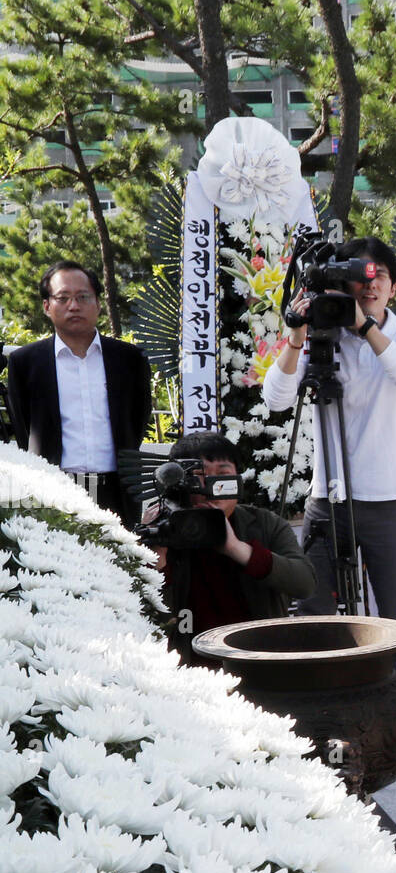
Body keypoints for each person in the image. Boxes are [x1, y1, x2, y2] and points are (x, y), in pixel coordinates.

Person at [262, 235, 396, 686]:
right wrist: (297, 334)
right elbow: (276, 399)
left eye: (377, 276)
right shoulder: (323, 335)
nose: (368, 284)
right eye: (359, 276)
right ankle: (321, 705)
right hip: (327, 497)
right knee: (312, 609)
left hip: (392, 499)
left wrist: (366, 330)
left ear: (393, 287)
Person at [6, 260, 152, 525]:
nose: (73, 306)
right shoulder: (25, 362)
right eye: (63, 298)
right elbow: (24, 426)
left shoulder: (129, 360)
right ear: (47, 306)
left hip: (117, 489)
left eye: (83, 297)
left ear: (98, 303)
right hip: (54, 490)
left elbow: (138, 418)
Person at [156, 431, 315, 664]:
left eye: (223, 475)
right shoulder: (163, 527)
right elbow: (143, 613)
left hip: (260, 662)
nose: (210, 486)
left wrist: (236, 549)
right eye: (198, 476)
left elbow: (305, 583)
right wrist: (159, 555)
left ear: (237, 480)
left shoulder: (265, 524)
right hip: (189, 669)